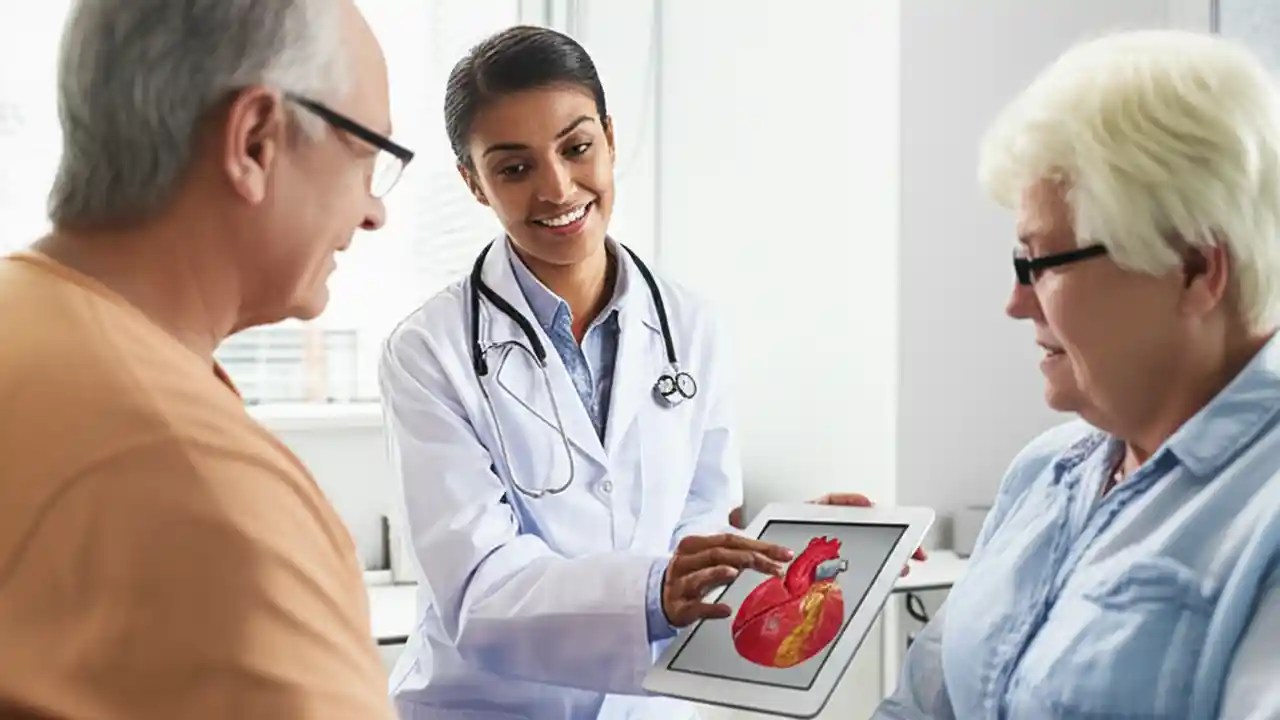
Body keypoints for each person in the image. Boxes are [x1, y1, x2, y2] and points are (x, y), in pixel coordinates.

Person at [378, 25, 926, 720]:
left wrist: (787, 546)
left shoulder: (691, 327)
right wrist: (651, 592)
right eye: (514, 168)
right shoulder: (430, 351)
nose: (557, 188)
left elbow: (698, 534)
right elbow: (480, 593)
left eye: (576, 148)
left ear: (609, 137)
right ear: (473, 183)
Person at [0, 1, 410, 717]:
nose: (375, 210)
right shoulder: (197, 486)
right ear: (254, 141)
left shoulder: (26, 325)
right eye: (367, 154)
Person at [875, 29, 1280, 719]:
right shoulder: (1043, 472)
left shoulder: (1261, 510)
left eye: (1043, 263)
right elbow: (922, 707)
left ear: (1194, 269)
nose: (1015, 300)